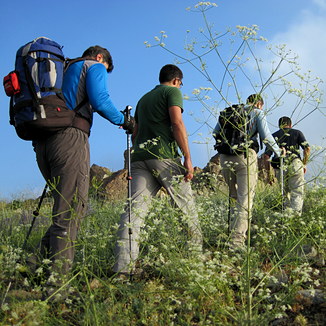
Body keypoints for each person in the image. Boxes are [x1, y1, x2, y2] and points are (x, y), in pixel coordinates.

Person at [33, 46, 134, 292]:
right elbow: (100, 100)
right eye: (107, 69)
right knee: (72, 208)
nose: (104, 72)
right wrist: (125, 121)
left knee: (64, 209)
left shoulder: (63, 69)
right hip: (70, 138)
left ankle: (31, 266)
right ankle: (57, 286)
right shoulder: (94, 65)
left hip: (43, 142)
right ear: (101, 57)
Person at [113, 64, 203, 277]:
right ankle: (196, 264)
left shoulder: (143, 100)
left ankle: (122, 271)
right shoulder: (172, 92)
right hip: (164, 157)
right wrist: (188, 157)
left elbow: (135, 134)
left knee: (133, 214)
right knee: (186, 209)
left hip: (140, 158)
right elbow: (177, 122)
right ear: (176, 81)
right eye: (180, 84)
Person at [213, 94, 283, 250]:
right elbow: (266, 137)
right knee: (245, 200)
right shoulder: (257, 112)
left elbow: (215, 133)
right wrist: (278, 152)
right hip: (245, 156)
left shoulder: (230, 112)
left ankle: (230, 232)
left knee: (232, 196)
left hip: (224, 158)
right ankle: (236, 242)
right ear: (259, 104)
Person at [263, 116, 310, 215]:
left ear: (279, 125)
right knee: (297, 192)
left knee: (284, 194)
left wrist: (269, 174)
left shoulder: (274, 136)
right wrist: (304, 163)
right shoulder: (297, 133)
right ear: (291, 124)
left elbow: (266, 156)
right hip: (295, 163)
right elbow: (307, 149)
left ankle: (285, 218)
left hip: (280, 166)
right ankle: (295, 218)